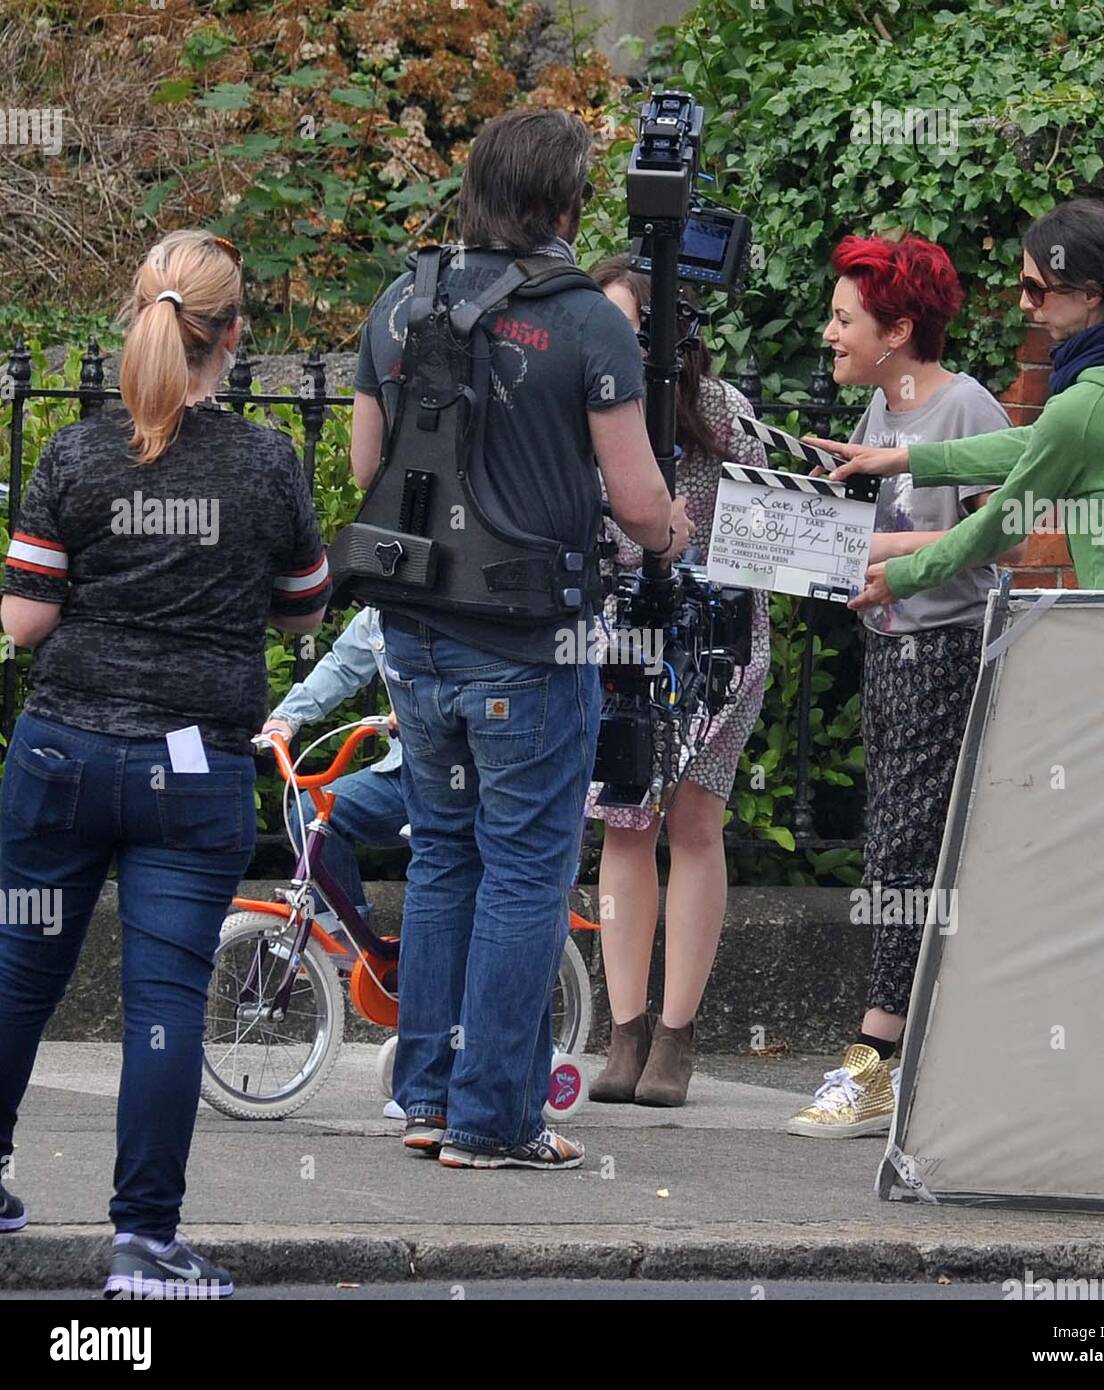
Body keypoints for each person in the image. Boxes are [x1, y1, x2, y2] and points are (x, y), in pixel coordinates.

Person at [349, 108, 690, 1169]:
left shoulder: (402, 302)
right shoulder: (587, 321)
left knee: (445, 857)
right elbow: (637, 502)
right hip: (531, 648)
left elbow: (369, 470)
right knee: (525, 873)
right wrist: (673, 531)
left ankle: (426, 1097)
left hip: (415, 638)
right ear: (562, 203)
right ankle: (494, 1119)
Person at [0, 230, 330, 1295]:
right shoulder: (267, 461)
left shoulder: (73, 456)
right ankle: (144, 1242)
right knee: (161, 999)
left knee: (16, 976)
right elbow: (302, 604)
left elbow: (22, 620)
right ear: (232, 335)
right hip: (189, 773)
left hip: (61, 753)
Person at [787, 233, 1021, 1138]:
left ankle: (873, 1059)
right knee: (900, 850)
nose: (829, 332)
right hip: (891, 651)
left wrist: (872, 549)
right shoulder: (882, 415)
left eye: (846, 319)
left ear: (898, 329)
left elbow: (1001, 540)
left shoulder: (963, 408)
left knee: (902, 856)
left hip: (947, 653)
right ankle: (914, 1061)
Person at [819, 200, 1104, 605]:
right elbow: (1041, 440)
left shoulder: (1085, 408)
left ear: (1090, 295)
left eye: (1036, 289)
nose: (1025, 304)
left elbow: (1003, 524)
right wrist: (903, 460)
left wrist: (905, 575)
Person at [583, 255, 771, 1107]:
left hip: (713, 637)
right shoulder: (578, 401)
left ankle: (676, 1035)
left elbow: (771, 525)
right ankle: (622, 1031)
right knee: (624, 818)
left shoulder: (723, 411)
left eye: (628, 328)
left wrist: (692, 544)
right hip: (618, 633)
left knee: (695, 818)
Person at [263, 605, 408, 936]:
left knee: (440, 872)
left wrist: (427, 709)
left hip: (464, 775)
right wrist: (285, 718)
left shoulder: (457, 601)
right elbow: (341, 667)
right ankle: (345, 938)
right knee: (313, 811)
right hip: (404, 770)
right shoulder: (376, 614)